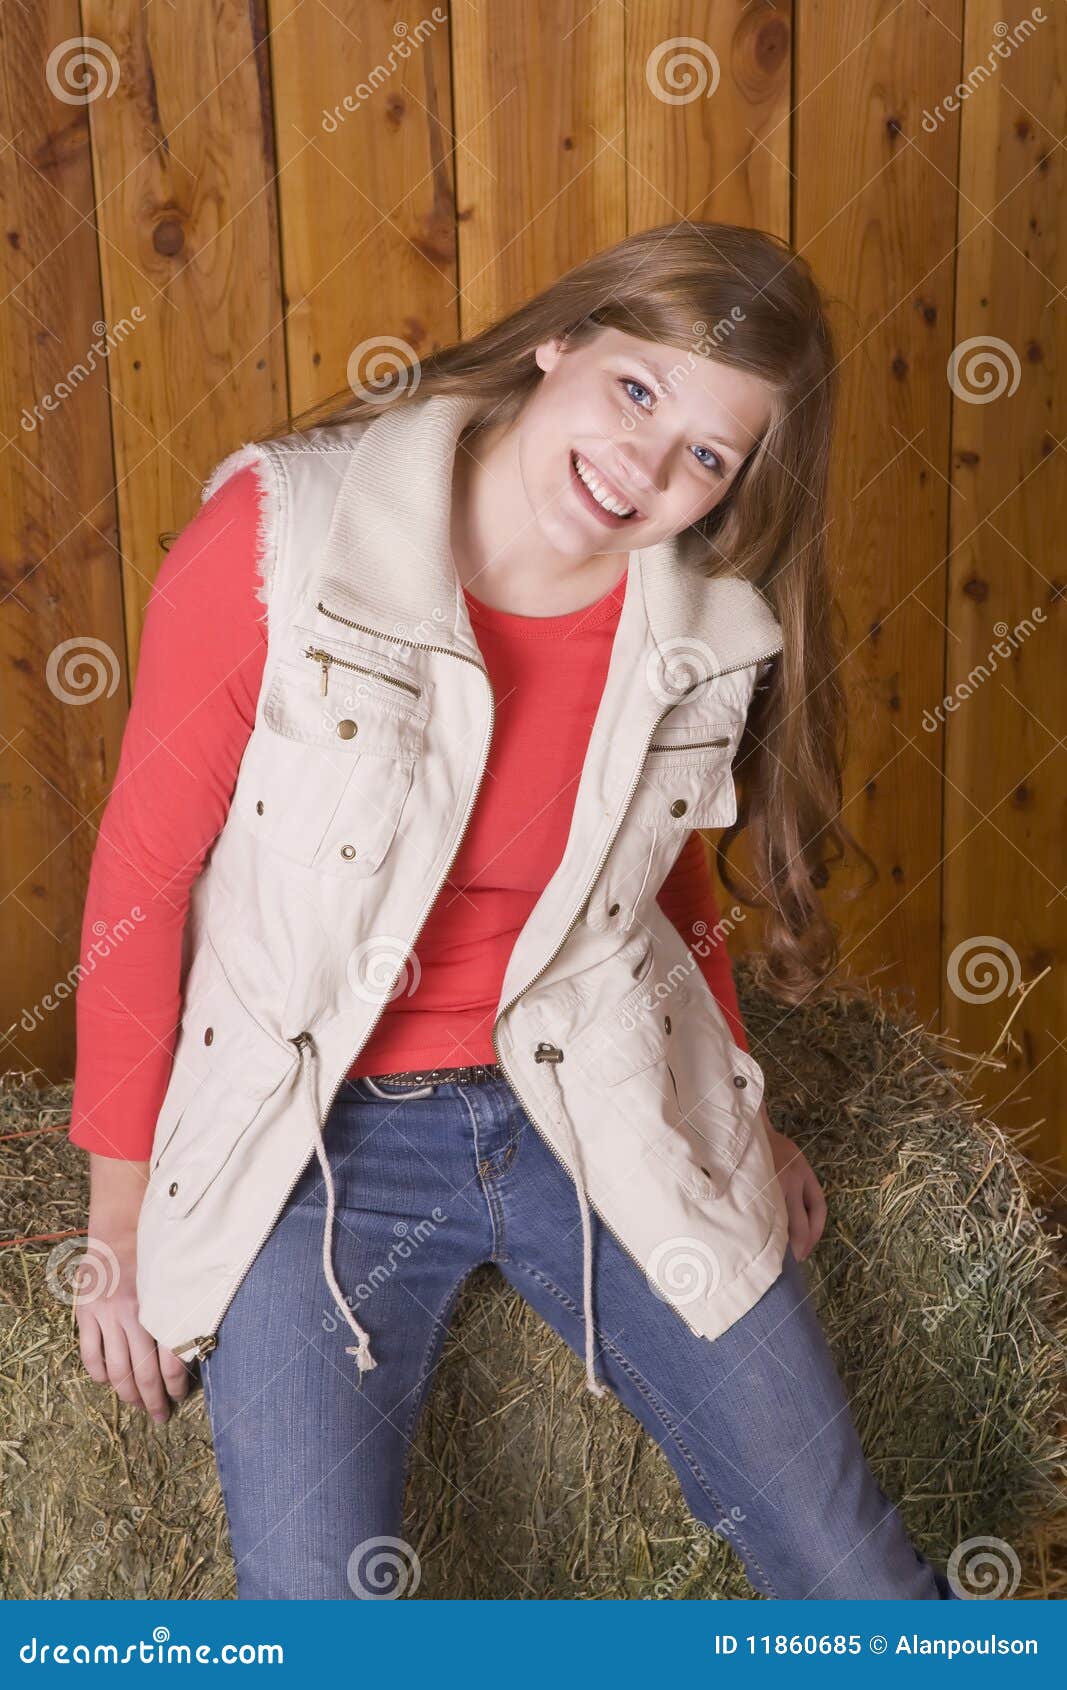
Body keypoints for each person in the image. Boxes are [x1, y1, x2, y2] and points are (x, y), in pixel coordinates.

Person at [69, 221, 960, 1600]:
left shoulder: (702, 616)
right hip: (319, 1132)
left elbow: (655, 871)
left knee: (860, 1575)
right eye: (637, 392)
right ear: (563, 337)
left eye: (709, 455)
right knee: (316, 1615)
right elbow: (141, 877)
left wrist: (737, 1105)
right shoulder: (283, 535)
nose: (646, 468)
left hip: (583, 1086)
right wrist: (120, 1217)